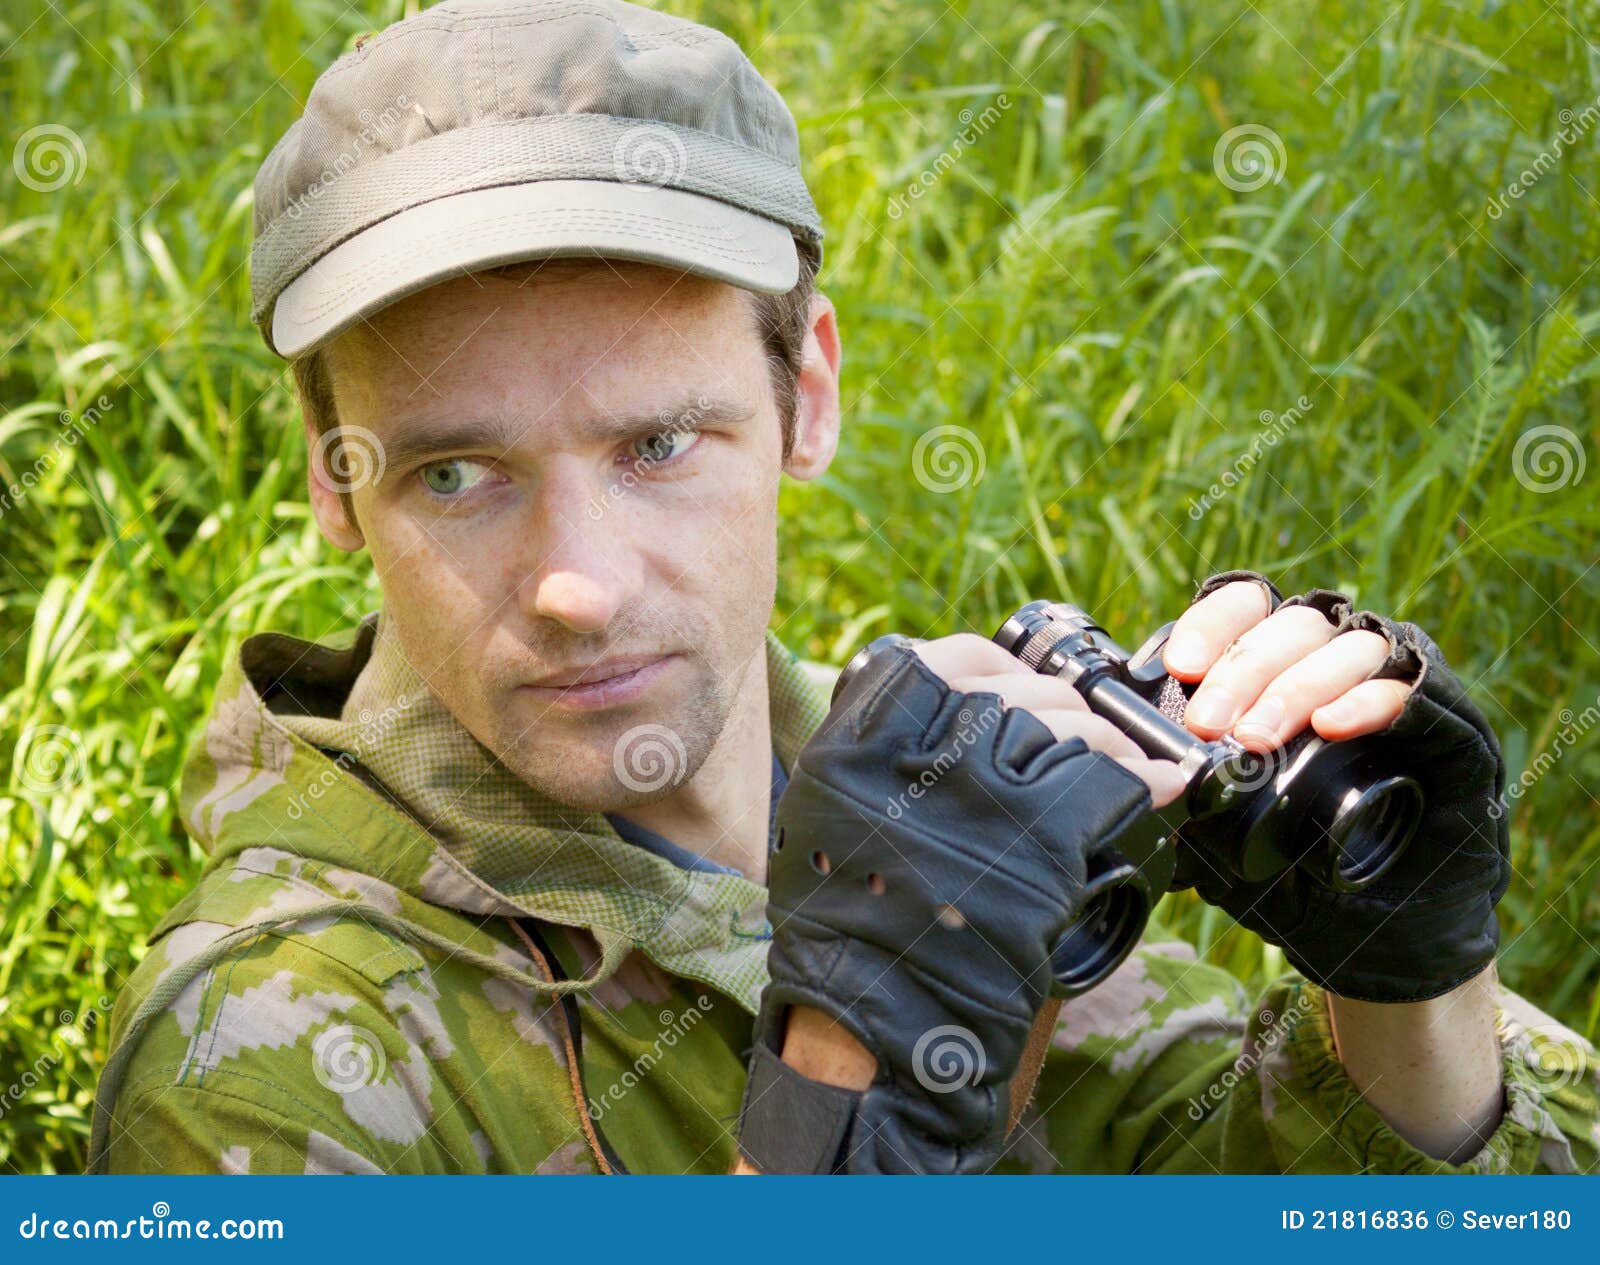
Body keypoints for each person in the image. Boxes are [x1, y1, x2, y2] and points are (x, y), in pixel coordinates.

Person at [91, 0, 1595, 1175]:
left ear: (807, 394)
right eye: (454, 474)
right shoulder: (269, 1047)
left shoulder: (925, 802)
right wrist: (844, 1093)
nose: (574, 585)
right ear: (331, 476)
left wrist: (1414, 994)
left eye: (660, 442)